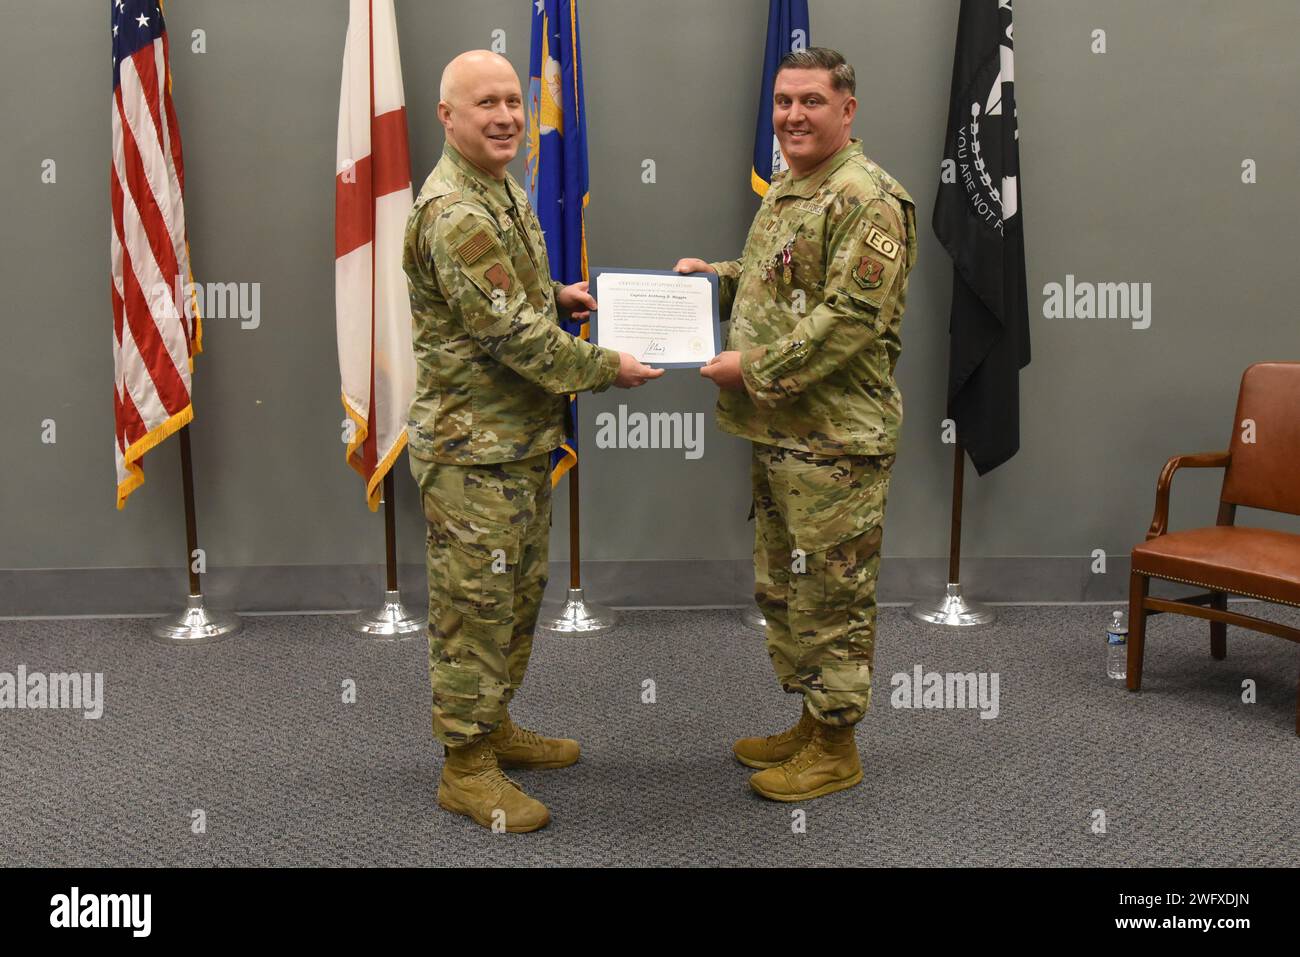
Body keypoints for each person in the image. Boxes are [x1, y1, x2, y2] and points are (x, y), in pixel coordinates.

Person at [403, 50, 661, 832]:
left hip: (514, 443)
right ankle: (465, 765)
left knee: (514, 601)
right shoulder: (455, 211)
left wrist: (560, 294)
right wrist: (607, 366)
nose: (508, 116)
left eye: (515, 100)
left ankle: (495, 725)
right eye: (486, 103)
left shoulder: (497, 188)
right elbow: (515, 338)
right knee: (471, 611)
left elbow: (509, 294)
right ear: (446, 117)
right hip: (472, 454)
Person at [675, 48, 917, 802]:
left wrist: (750, 367)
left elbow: (849, 321)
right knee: (787, 588)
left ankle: (837, 742)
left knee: (833, 597)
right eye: (784, 101)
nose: (793, 116)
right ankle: (813, 722)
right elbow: (777, 285)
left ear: (849, 109)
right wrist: (712, 285)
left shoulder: (868, 199)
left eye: (811, 101)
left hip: (835, 444)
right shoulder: (792, 185)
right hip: (783, 433)